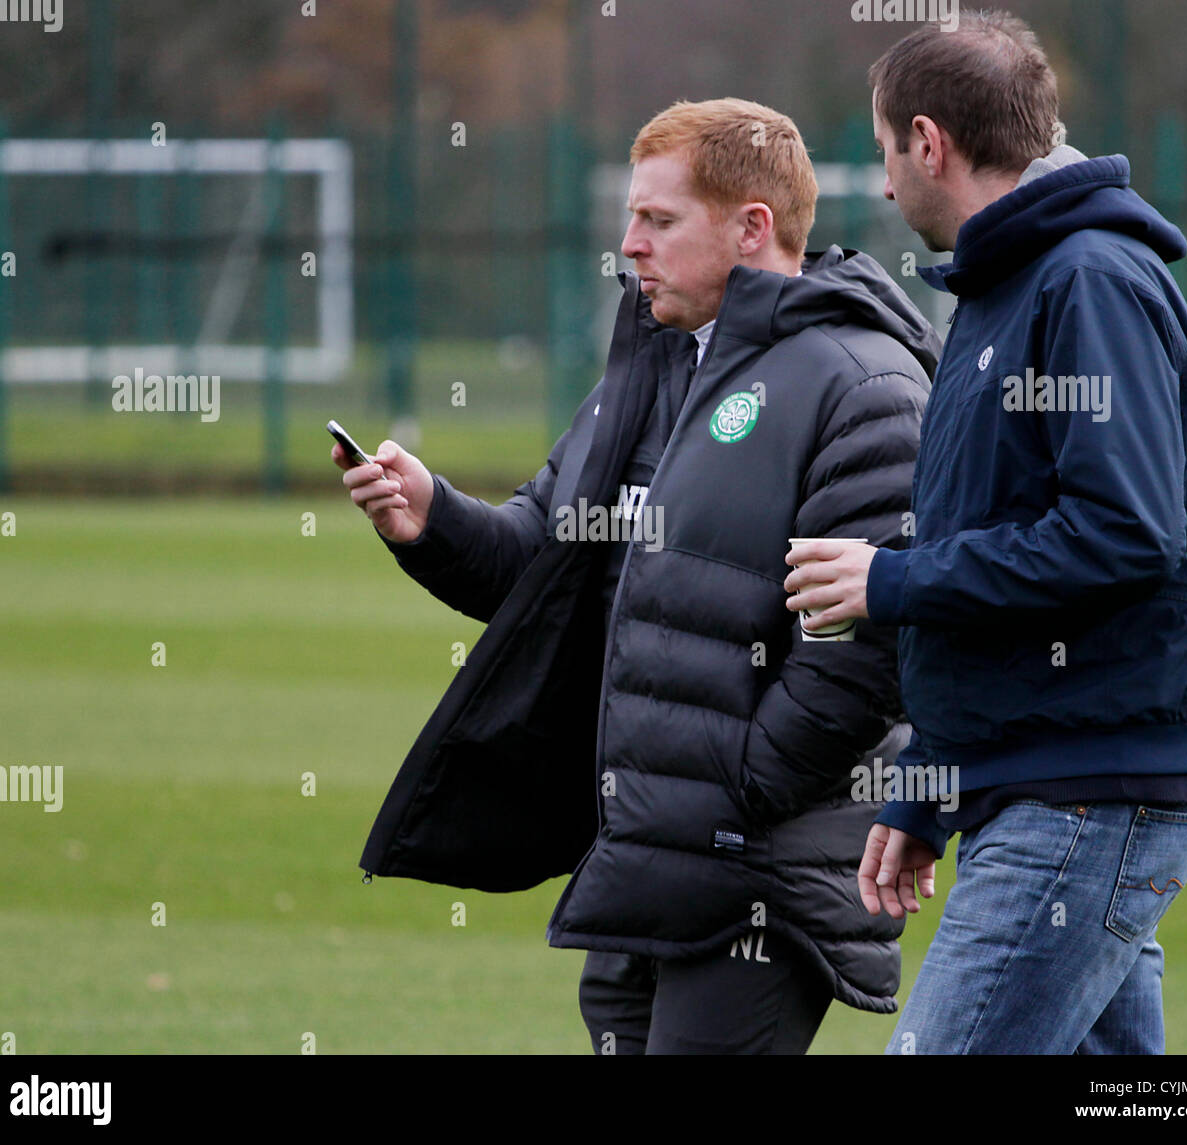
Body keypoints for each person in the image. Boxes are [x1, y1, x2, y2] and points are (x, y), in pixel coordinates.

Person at [336, 97, 938, 1054]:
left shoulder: (862, 384)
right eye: (631, 218)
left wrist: (738, 787)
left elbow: (867, 646)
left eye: (659, 221)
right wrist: (433, 520)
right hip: (646, 864)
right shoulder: (654, 365)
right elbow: (547, 566)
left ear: (753, 226)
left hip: (757, 883)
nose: (629, 245)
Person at [785, 11, 1187, 1053]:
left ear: (928, 140)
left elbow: (1122, 533)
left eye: (883, 151)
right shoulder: (1003, 288)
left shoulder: (1086, 280)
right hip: (1045, 780)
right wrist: (930, 780)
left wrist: (888, 580)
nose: (885, 180)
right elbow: (997, 542)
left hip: (1088, 794)